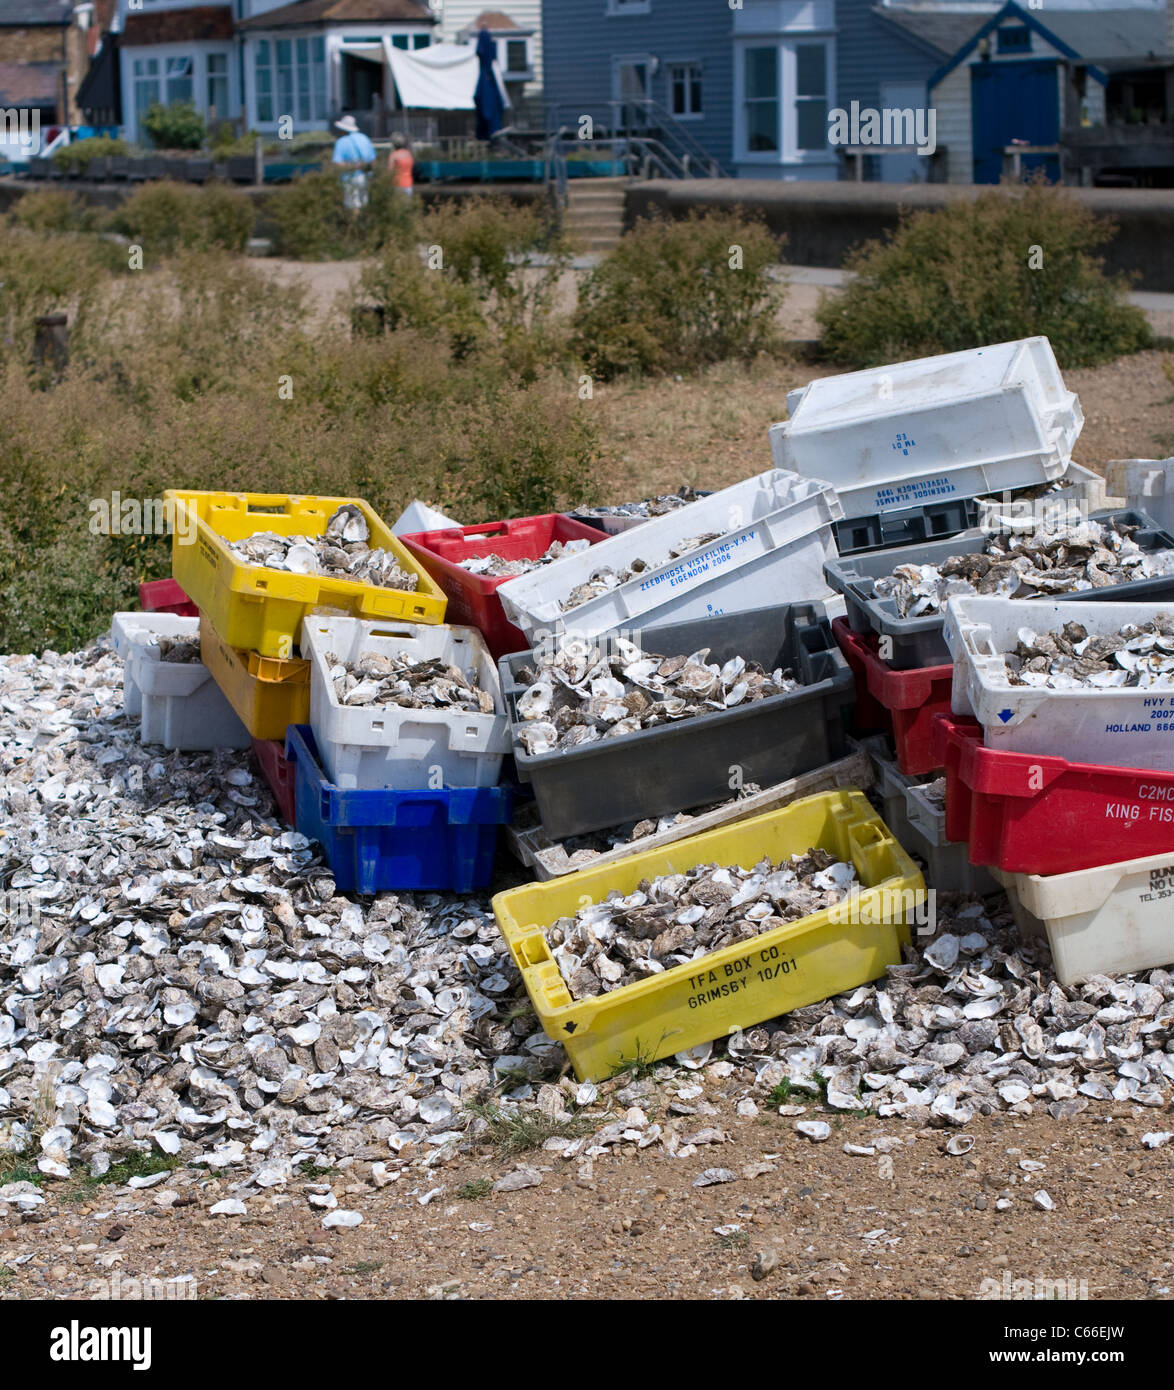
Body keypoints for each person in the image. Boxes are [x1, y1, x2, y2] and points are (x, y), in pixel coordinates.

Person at [332, 114, 376, 216]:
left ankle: (356, 229)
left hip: (350, 177)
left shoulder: (341, 142)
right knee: (364, 204)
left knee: (353, 206)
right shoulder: (364, 138)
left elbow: (338, 164)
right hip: (365, 176)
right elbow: (373, 159)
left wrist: (351, 167)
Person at [388, 131, 414, 197]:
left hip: (397, 184)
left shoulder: (393, 155)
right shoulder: (408, 154)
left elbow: (390, 170)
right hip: (409, 183)